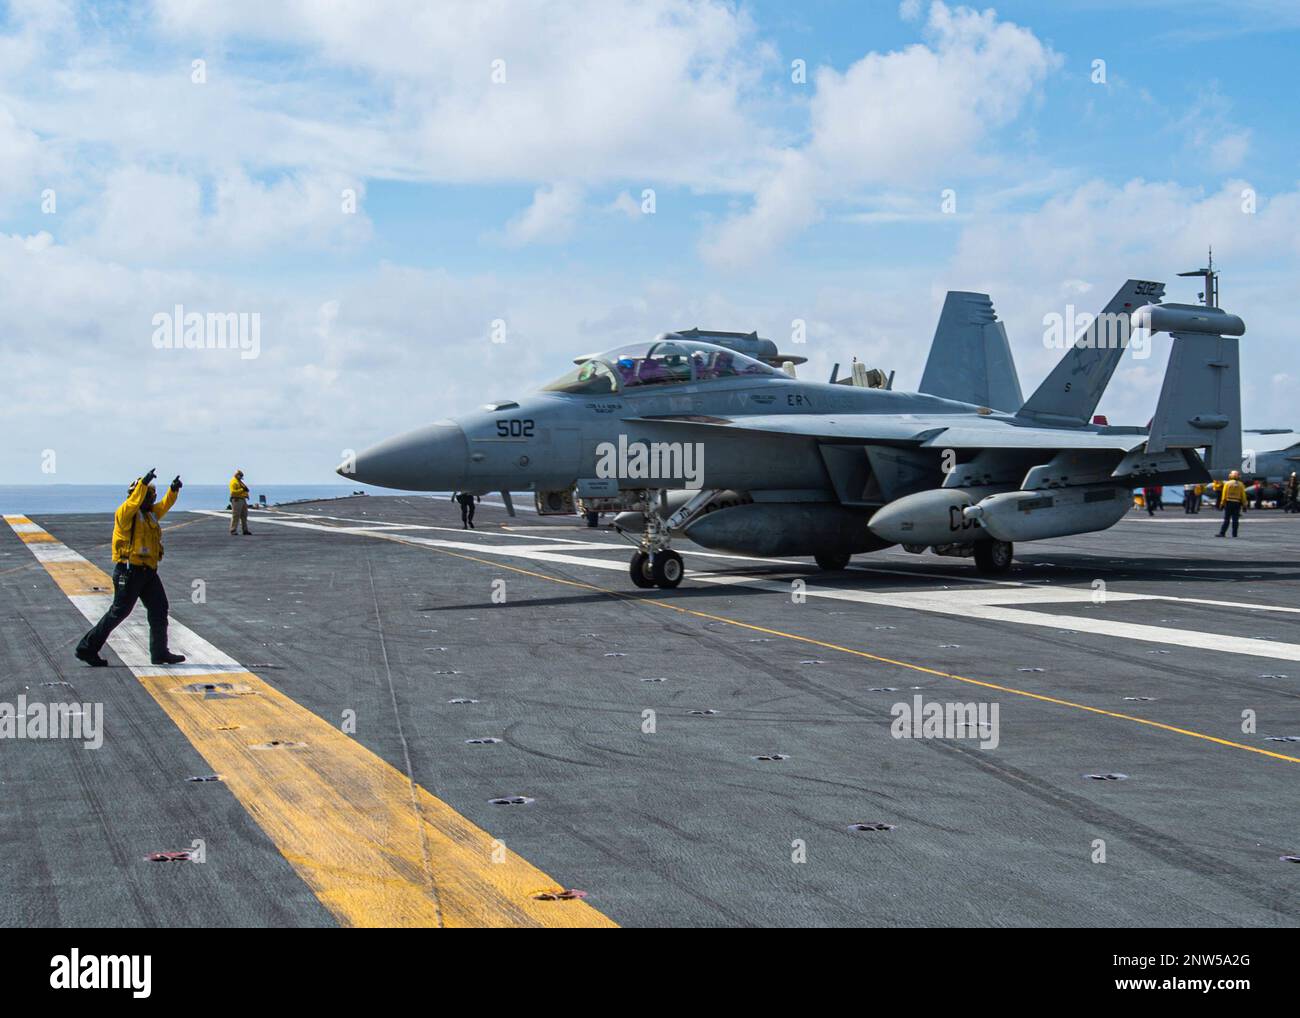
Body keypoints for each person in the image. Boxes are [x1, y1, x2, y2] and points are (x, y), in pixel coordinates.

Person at [75, 470, 186, 667]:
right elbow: (135, 502)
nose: (152, 499)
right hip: (129, 571)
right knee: (119, 612)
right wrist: (144, 483)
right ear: (139, 495)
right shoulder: (126, 513)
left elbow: (164, 505)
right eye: (148, 495)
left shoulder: (150, 514)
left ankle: (160, 653)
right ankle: (87, 648)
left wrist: (173, 490)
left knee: (159, 609)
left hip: (148, 571)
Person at [1217, 469, 1248, 538]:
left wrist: (1221, 504)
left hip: (1228, 503)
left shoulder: (1227, 484)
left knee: (1226, 519)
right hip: (1237, 504)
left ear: (1230, 476)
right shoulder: (1241, 484)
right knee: (1235, 520)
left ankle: (1222, 533)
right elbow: (1243, 496)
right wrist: (1244, 506)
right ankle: (1234, 534)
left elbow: (1224, 495)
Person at [229, 469, 252, 535]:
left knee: (244, 515)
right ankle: (233, 530)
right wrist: (242, 489)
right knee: (236, 515)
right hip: (237, 499)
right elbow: (233, 492)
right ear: (237, 475)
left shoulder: (239, 481)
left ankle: (245, 530)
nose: (241, 477)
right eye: (240, 476)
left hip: (242, 499)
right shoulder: (233, 482)